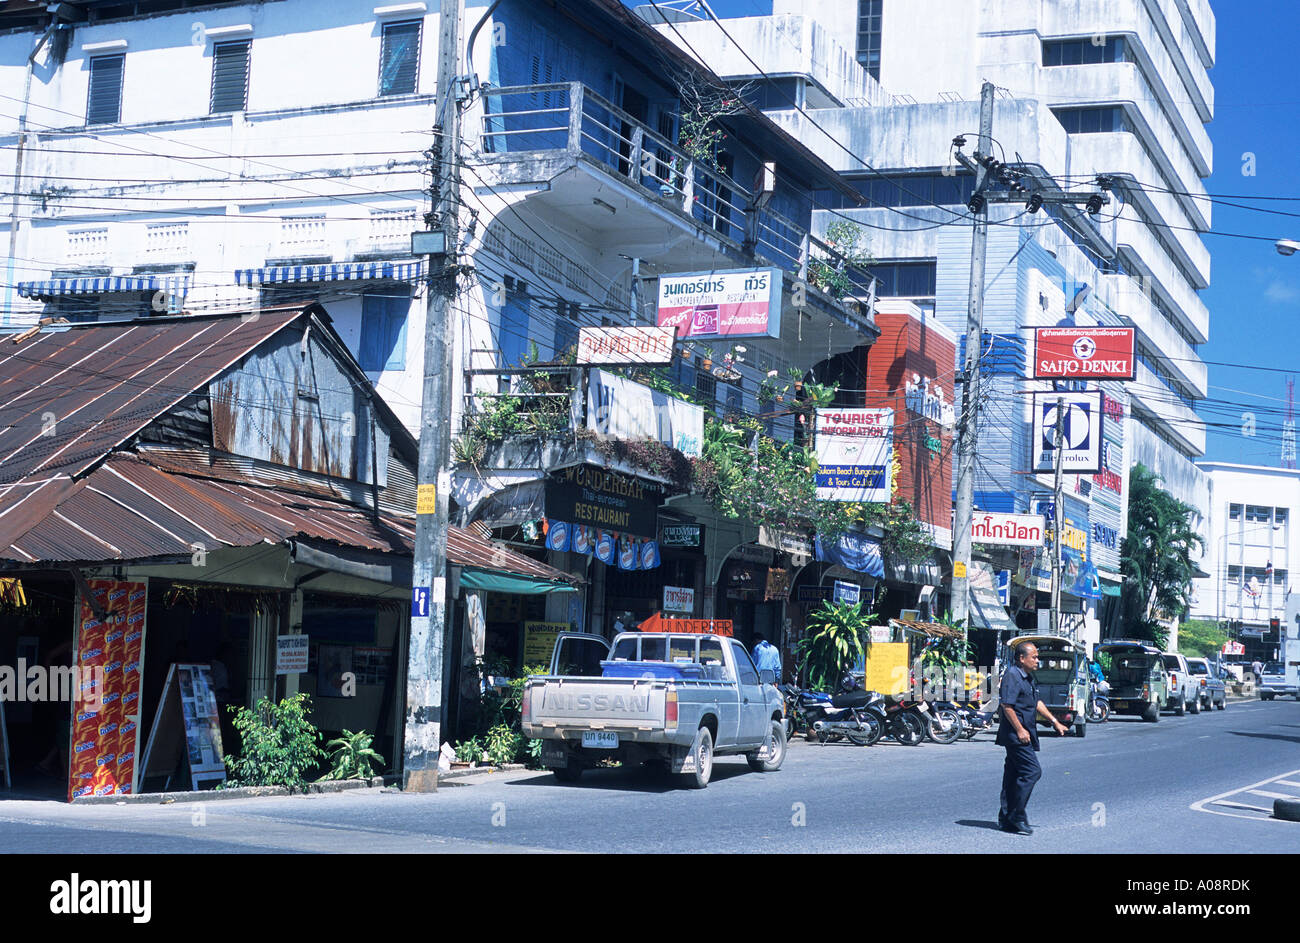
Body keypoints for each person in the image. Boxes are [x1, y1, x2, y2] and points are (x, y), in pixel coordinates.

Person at [996, 641, 1067, 835]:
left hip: (1025, 733)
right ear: (1022, 658)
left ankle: (1006, 818)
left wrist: (1054, 721)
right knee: (1032, 771)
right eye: (1034, 657)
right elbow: (1007, 706)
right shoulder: (1012, 675)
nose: (1037, 660)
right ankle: (1017, 815)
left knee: (1012, 776)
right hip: (1016, 735)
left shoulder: (1027, 678)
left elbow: (1036, 703)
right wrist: (1019, 730)